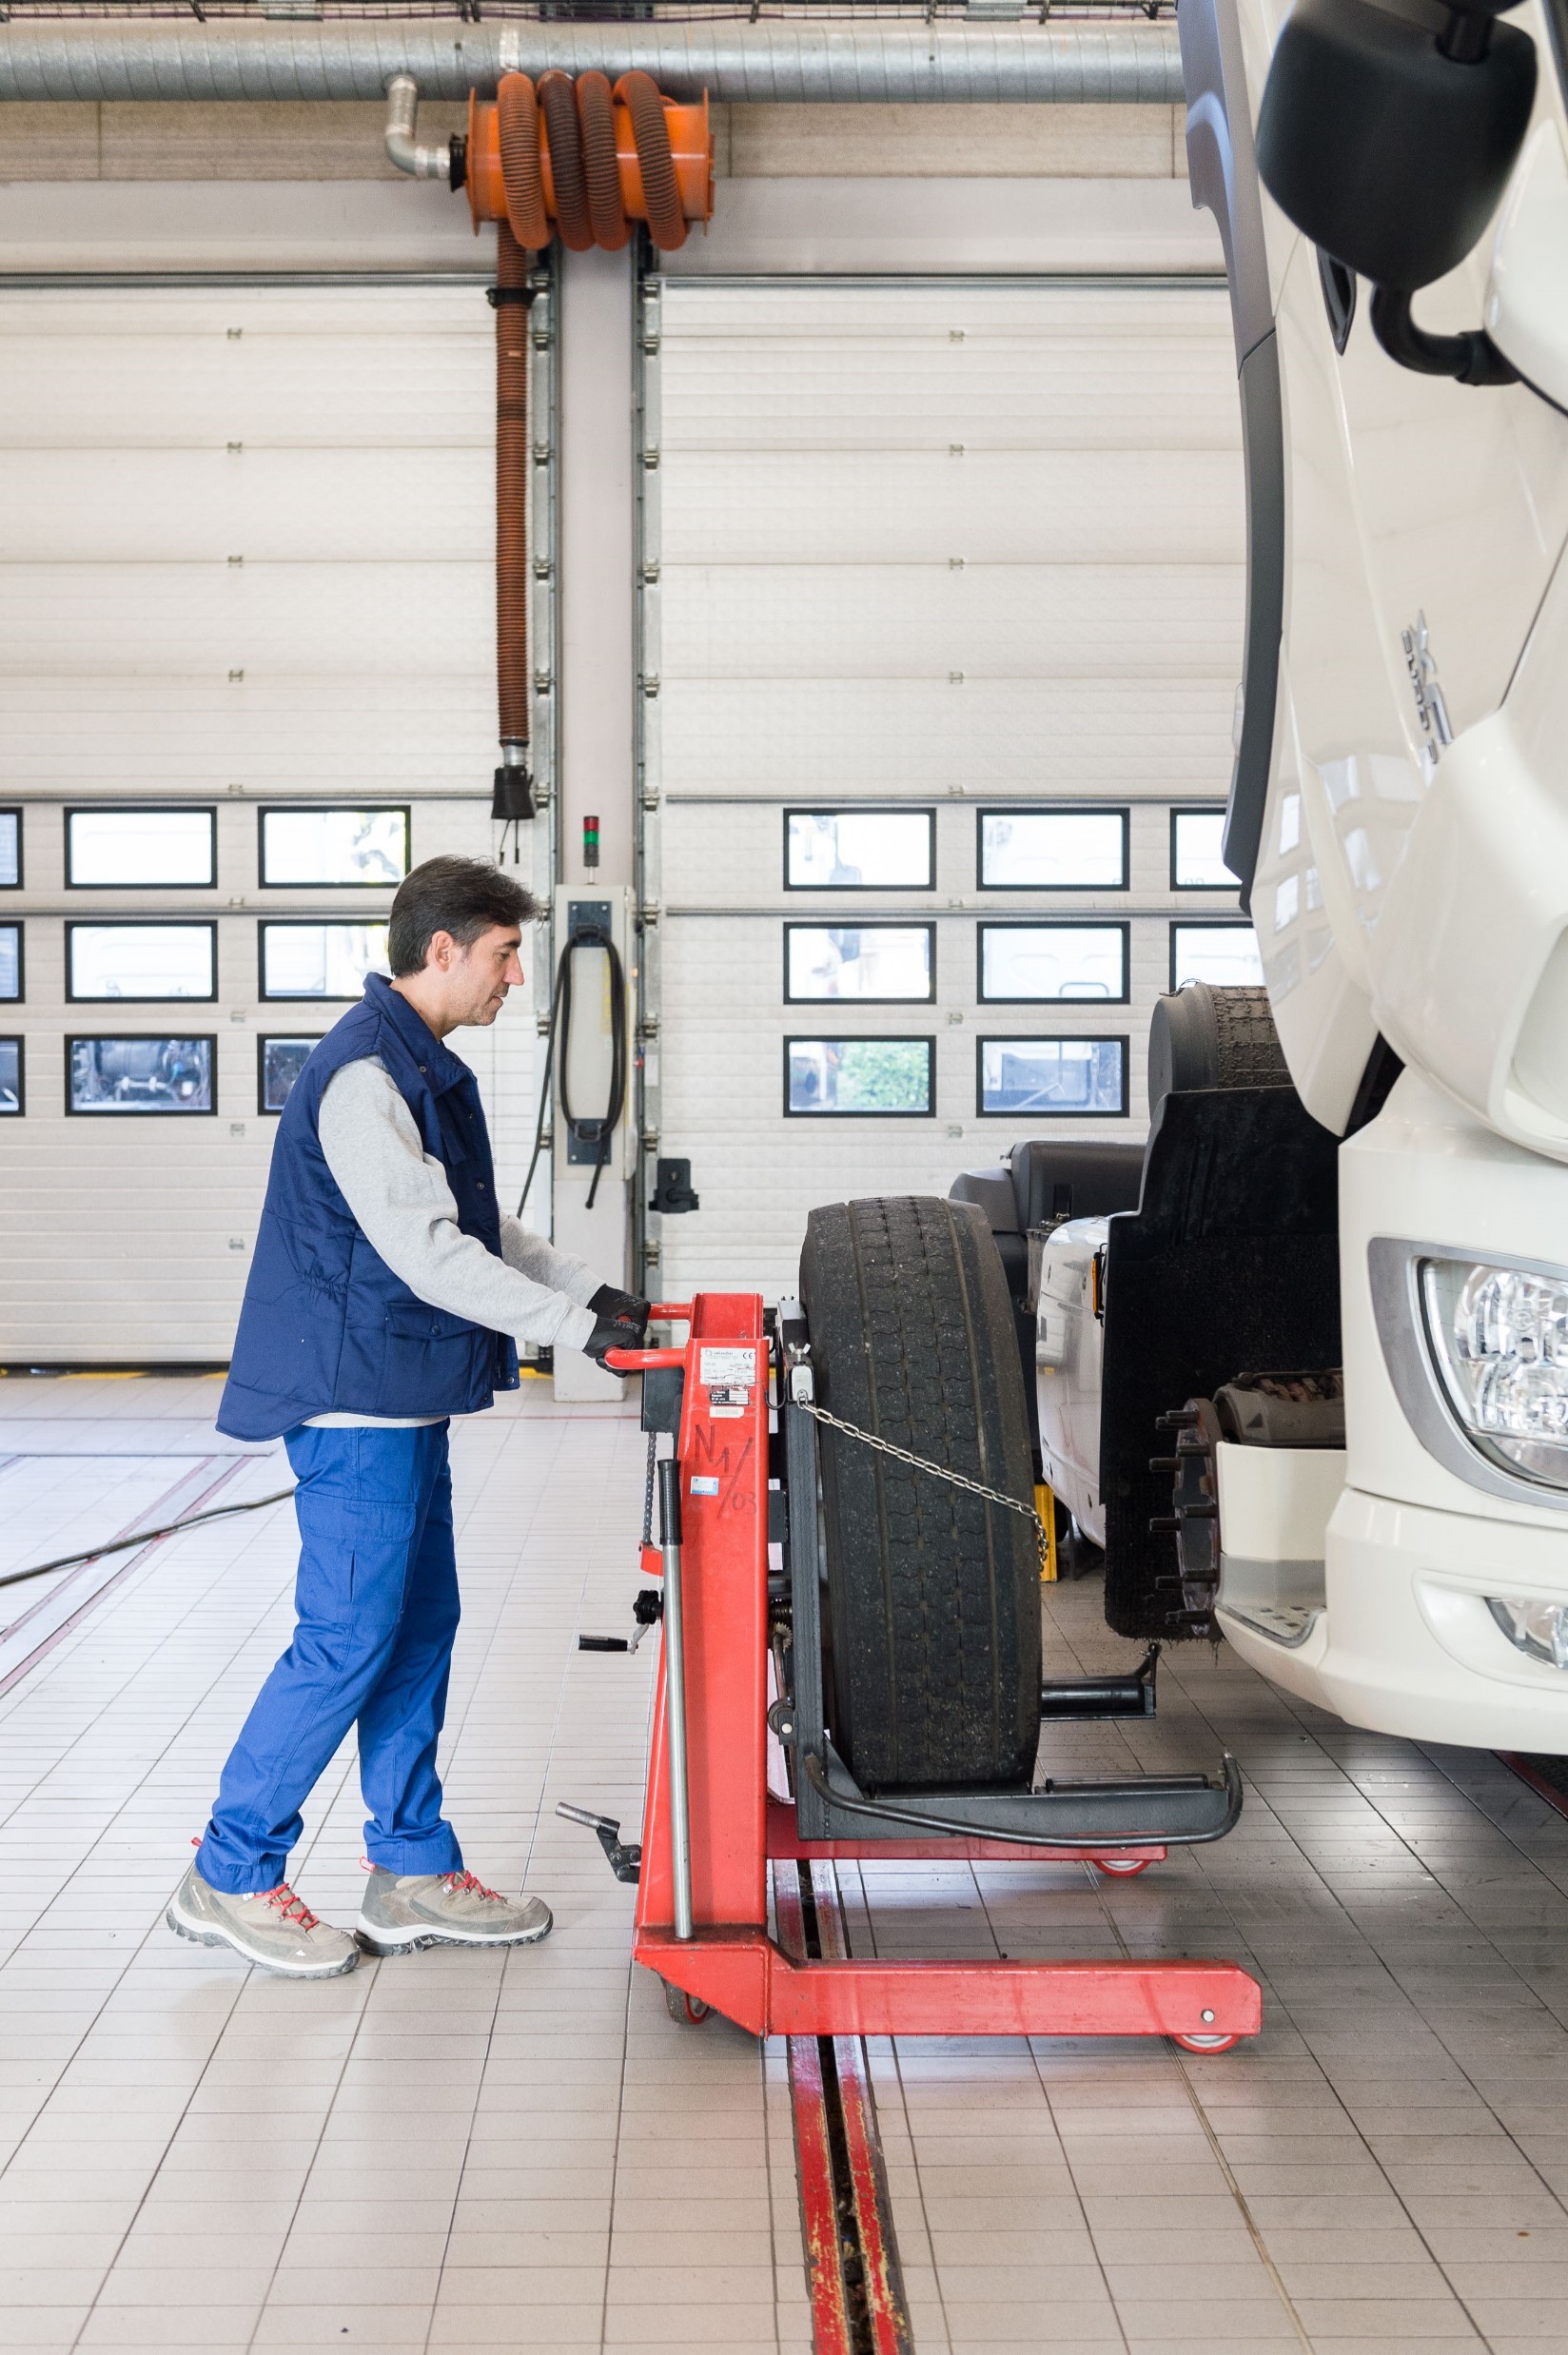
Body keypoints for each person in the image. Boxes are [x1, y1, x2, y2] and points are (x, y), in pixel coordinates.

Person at [167, 856, 647, 1979]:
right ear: (442, 950)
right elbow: (429, 1258)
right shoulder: (362, 1081)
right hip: (352, 1407)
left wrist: (591, 1293)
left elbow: (476, 1228)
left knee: (417, 1629)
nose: (516, 978)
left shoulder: (421, 1068)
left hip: (399, 1401)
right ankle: (230, 1870)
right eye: (502, 953)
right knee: (345, 1641)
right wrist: (570, 1334)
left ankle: (411, 1867)